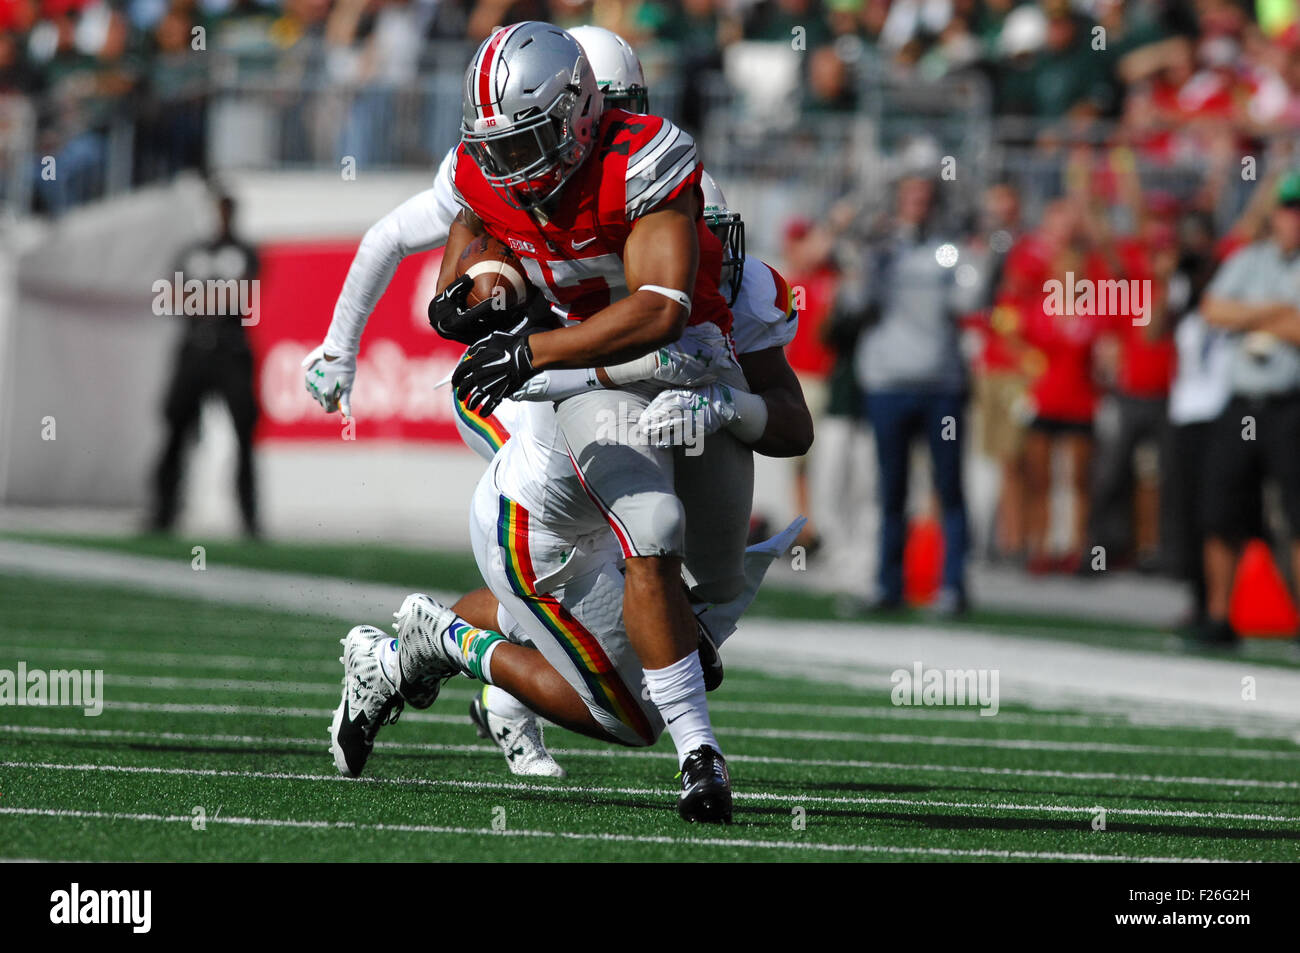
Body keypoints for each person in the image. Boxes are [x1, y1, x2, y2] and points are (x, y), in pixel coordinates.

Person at [851, 174, 972, 615]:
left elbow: (972, 301)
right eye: (911, 196)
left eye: (925, 197)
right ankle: (887, 584)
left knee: (949, 487)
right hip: (887, 382)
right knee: (890, 488)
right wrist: (867, 256)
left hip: (942, 384)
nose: (919, 204)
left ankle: (953, 586)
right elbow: (853, 302)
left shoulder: (949, 249)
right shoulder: (882, 250)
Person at [1195, 172, 1300, 646]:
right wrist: (1274, 313)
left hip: (1289, 404)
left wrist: (1252, 314)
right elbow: (1213, 309)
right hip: (1243, 405)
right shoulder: (1249, 259)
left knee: (1297, 514)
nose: (1294, 219)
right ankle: (1219, 616)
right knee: (1222, 508)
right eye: (1289, 209)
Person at [150, 191, 260, 537]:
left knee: (244, 432)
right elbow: (171, 296)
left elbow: (241, 296)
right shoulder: (191, 252)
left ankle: (249, 517)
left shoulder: (244, 253)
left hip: (230, 350)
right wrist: (211, 300)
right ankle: (163, 513)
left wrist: (202, 299)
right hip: (195, 350)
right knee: (175, 428)